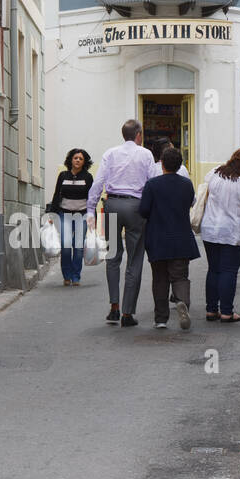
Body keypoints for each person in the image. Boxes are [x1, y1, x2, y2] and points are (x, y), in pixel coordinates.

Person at [87, 118, 155, 327]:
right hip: (136, 208)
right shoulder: (146, 154)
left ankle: (114, 307)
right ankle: (127, 313)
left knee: (113, 256)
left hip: (113, 206)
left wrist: (91, 209)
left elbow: (98, 182)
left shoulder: (110, 153)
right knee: (134, 260)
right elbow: (152, 182)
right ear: (139, 135)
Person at [200, 147, 240, 323]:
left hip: (211, 228)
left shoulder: (215, 173)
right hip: (233, 231)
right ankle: (227, 312)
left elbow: (206, 190)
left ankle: (211, 310)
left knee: (214, 269)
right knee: (228, 271)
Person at [138, 146, 199, 330]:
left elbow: (143, 210)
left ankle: (161, 319)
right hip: (181, 237)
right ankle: (182, 302)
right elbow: (190, 203)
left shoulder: (152, 185)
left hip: (157, 238)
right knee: (179, 276)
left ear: (162, 164)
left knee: (160, 278)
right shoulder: (186, 184)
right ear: (180, 165)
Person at [46, 148, 94, 287]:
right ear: (70, 160)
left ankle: (76, 276)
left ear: (84, 162)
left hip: (82, 214)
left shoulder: (87, 177)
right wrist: (52, 214)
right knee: (66, 245)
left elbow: (91, 198)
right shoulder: (63, 175)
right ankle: (66, 275)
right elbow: (56, 195)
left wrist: (92, 217)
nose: (78, 160)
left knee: (78, 247)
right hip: (64, 214)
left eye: (80, 158)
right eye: (75, 158)